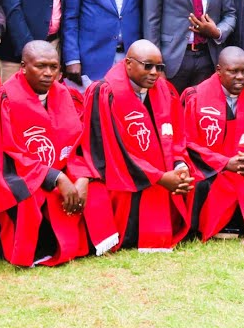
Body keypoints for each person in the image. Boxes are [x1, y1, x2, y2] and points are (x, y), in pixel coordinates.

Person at [72, 40, 193, 253]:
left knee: (198, 181)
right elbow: (109, 150)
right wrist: (158, 177)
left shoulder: (166, 91)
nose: (155, 73)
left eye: (159, 67)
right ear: (128, 63)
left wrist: (179, 164)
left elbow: (176, 137)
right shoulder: (105, 93)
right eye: (148, 66)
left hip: (163, 170)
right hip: (120, 172)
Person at [0, 40, 89, 267]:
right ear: (23, 67)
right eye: (41, 66)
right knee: (29, 197)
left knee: (96, 189)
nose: (48, 73)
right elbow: (8, 151)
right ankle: (32, 250)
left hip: (59, 169)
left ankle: (82, 245)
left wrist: (81, 177)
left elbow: (76, 142)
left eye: (53, 67)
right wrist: (54, 177)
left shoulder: (64, 95)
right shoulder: (7, 97)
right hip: (19, 174)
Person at [180, 47, 244, 242]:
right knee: (200, 180)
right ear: (219, 70)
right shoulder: (195, 97)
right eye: (233, 71)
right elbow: (187, 141)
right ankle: (210, 226)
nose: (240, 77)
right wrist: (224, 162)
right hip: (210, 165)